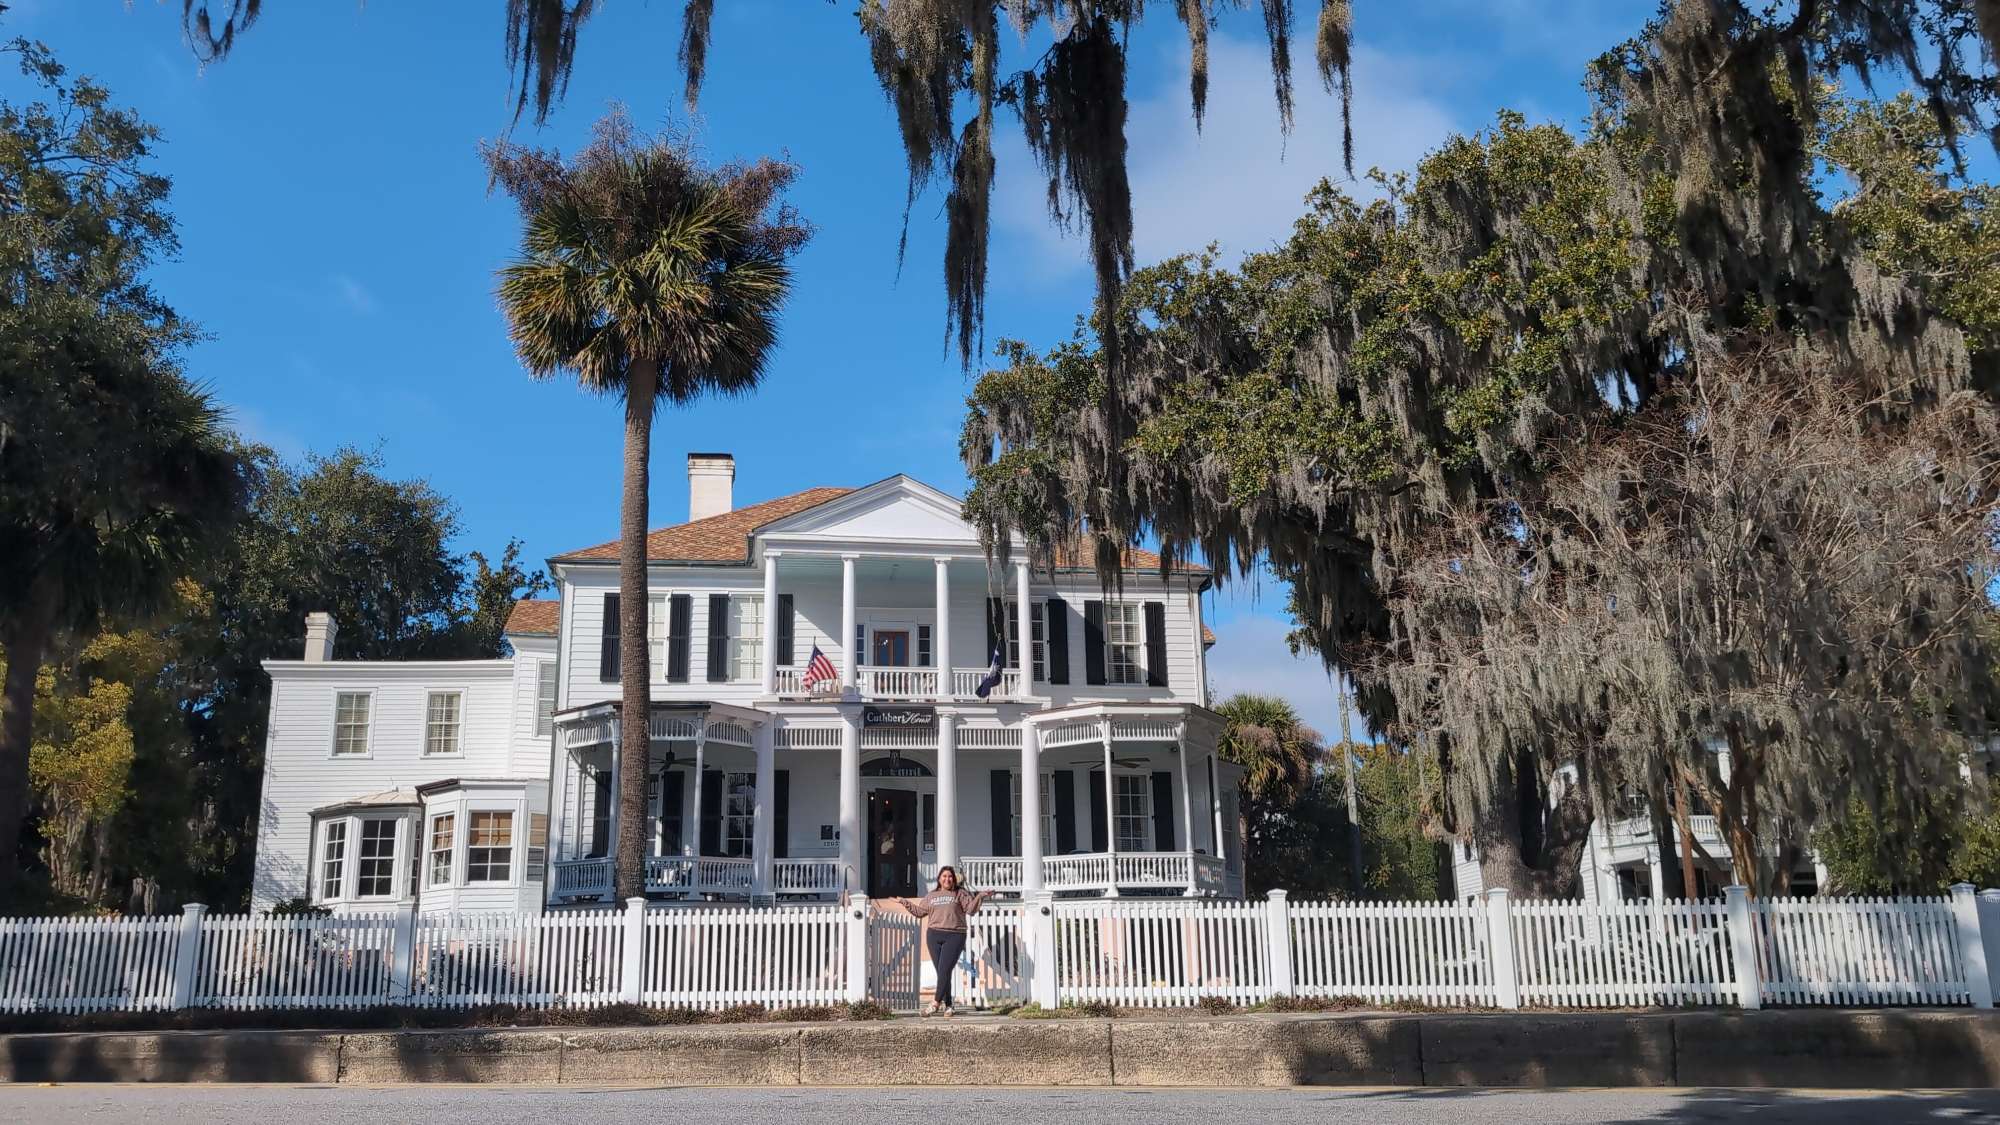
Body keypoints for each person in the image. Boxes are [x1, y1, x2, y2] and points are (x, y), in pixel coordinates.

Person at [899, 866, 993, 1015]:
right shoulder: (931, 896)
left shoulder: (960, 893)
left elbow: (970, 910)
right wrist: (906, 903)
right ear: (939, 879)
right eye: (944, 876)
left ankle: (935, 1003)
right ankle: (949, 1005)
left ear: (954, 879)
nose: (947, 879)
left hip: (955, 935)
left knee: (944, 970)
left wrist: (980, 896)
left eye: (950, 876)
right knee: (943, 972)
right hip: (933, 935)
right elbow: (920, 912)